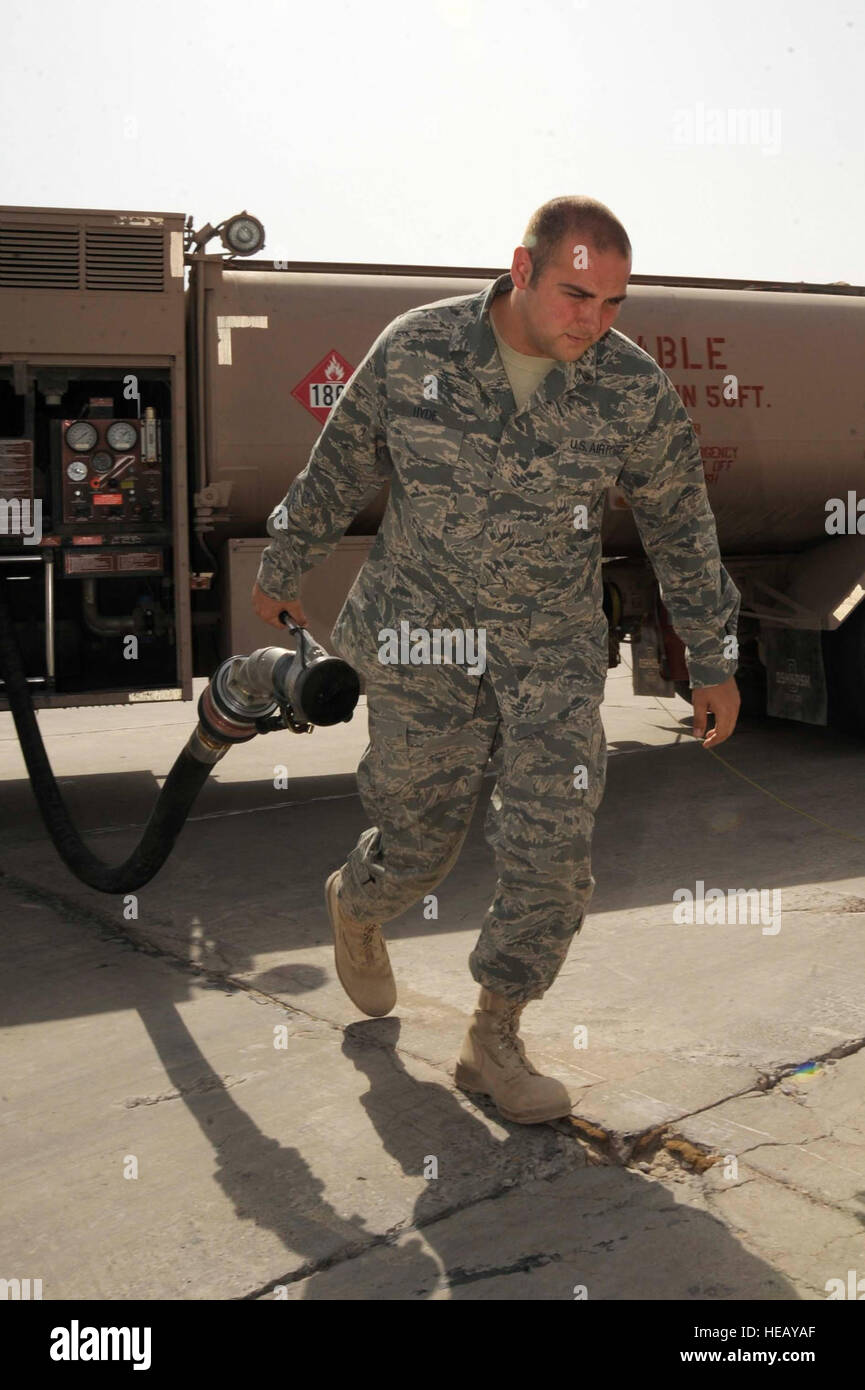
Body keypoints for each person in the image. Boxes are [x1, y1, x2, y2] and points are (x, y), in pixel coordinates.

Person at [252, 195, 741, 1125]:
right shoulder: (417, 347)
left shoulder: (629, 387)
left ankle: (495, 1037)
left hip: (549, 646)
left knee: (553, 845)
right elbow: (340, 462)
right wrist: (283, 566)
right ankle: (360, 901)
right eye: (574, 295)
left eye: (611, 303)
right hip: (418, 637)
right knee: (420, 847)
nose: (591, 321)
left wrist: (710, 657)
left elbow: (681, 519)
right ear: (520, 270)